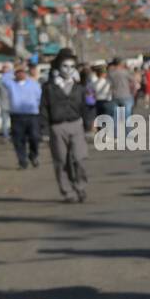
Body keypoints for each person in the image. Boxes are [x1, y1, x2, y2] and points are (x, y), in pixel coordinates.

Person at [39, 50, 90, 203]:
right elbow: (43, 109)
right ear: (58, 67)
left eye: (72, 66)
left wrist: (89, 125)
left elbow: (86, 106)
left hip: (76, 124)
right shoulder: (49, 87)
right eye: (65, 66)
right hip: (57, 127)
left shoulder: (79, 87)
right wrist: (45, 130)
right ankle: (67, 191)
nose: (68, 69)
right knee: (61, 161)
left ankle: (80, 186)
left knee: (79, 158)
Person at [6, 62, 42, 169]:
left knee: (35, 137)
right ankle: (22, 161)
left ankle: (33, 155)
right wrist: (14, 68)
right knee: (18, 140)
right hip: (17, 116)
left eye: (22, 72)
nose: (20, 74)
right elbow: (3, 79)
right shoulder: (11, 84)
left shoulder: (33, 83)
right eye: (18, 73)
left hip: (32, 115)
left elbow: (40, 98)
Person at [107, 57, 136, 124]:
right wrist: (133, 91)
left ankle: (116, 132)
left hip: (115, 96)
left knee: (115, 117)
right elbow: (134, 81)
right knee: (127, 116)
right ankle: (128, 133)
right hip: (126, 95)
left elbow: (108, 84)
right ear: (121, 63)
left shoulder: (110, 73)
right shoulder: (125, 72)